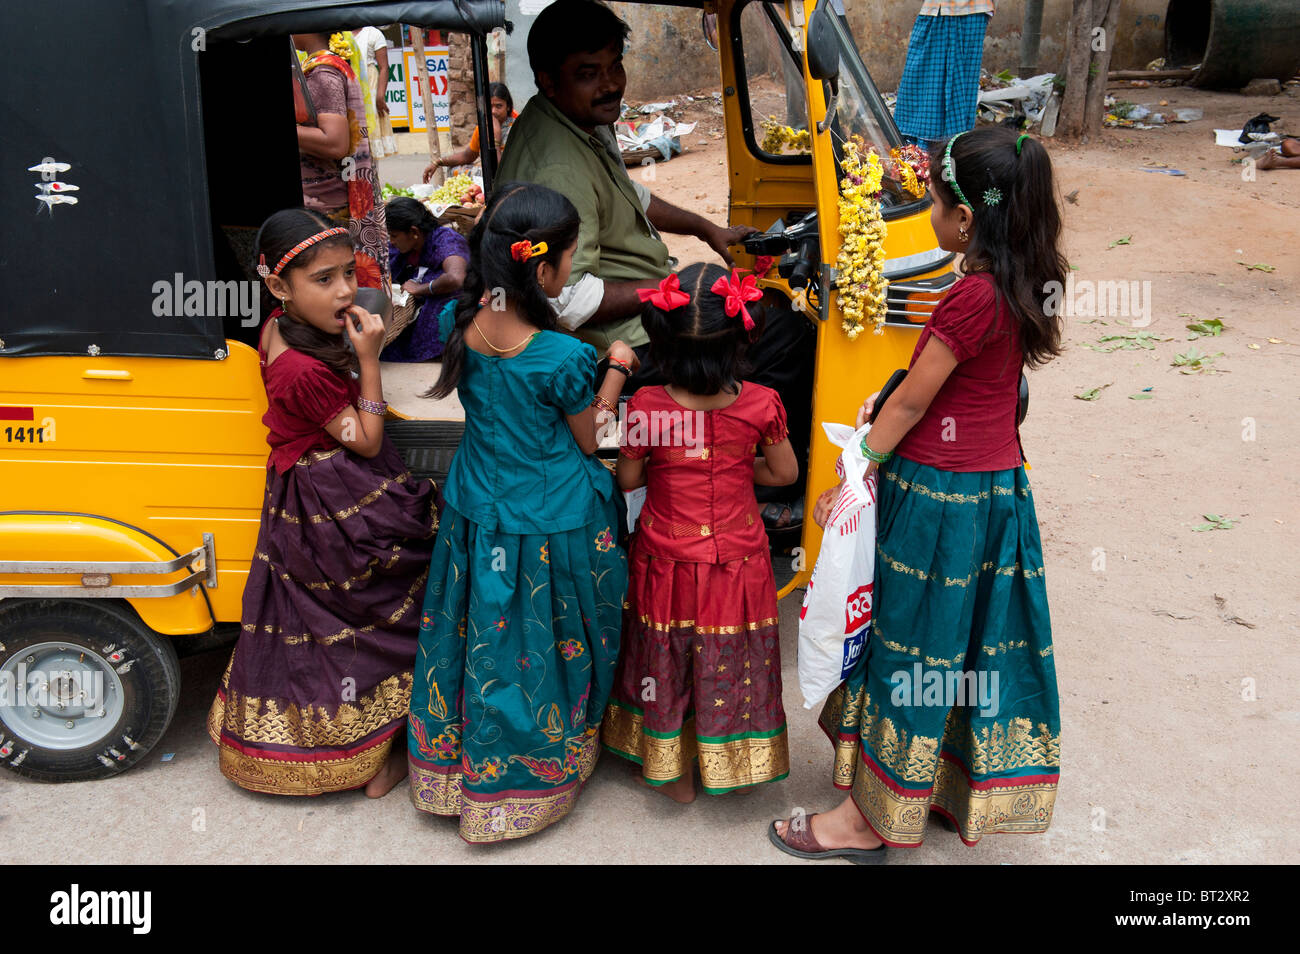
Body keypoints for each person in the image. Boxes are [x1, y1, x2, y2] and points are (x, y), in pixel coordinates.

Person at [770, 127, 1064, 861]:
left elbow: (909, 407)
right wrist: (896, 390)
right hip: (996, 496)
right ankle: (927, 784)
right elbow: (959, 386)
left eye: (932, 200)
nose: (926, 210)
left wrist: (857, 466)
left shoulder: (968, 297)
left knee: (909, 645)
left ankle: (864, 821)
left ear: (965, 221)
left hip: (937, 498)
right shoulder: (1021, 283)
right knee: (961, 649)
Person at [497, 0, 815, 519]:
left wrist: (706, 228)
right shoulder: (557, 163)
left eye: (614, 66)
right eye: (588, 74)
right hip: (610, 347)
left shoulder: (582, 118)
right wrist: (669, 295)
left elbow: (629, 197)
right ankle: (760, 493)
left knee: (766, 311)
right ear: (548, 81)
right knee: (781, 338)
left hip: (641, 306)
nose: (610, 84)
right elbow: (568, 302)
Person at [407, 182, 632, 843]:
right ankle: (543, 760)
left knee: (484, 630)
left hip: (477, 507)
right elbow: (591, 436)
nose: (574, 271)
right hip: (552, 517)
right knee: (551, 638)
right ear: (542, 269)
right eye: (571, 259)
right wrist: (616, 369)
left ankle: (458, 767)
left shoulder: (458, 322)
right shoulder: (566, 357)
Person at [208, 209, 438, 798]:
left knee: (335, 624)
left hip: (303, 494)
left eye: (346, 274)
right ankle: (383, 754)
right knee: (385, 604)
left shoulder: (277, 327)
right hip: (332, 500)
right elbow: (366, 439)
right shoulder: (301, 370)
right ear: (279, 286)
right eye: (324, 280)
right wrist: (368, 358)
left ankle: (374, 748)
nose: (342, 291)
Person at [602, 264, 798, 802]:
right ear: (740, 339)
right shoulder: (762, 404)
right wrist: (735, 467)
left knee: (667, 653)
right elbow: (784, 475)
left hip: (665, 555)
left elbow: (629, 479)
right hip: (738, 557)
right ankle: (730, 759)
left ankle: (673, 769)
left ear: (660, 343)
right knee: (729, 657)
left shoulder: (645, 407)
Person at [294, 32, 389, 288]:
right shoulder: (331, 65)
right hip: (335, 199)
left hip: (328, 206)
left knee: (328, 281)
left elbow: (334, 141)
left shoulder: (323, 72)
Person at [894, 1, 996, 150]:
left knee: (959, 86)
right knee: (919, 80)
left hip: (969, 11)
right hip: (937, 10)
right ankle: (921, 147)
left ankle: (947, 148)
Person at [381, 197, 469, 361]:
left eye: (393, 235)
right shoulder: (406, 247)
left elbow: (456, 278)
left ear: (414, 232)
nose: (391, 241)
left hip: (451, 304)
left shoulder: (446, 239)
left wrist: (421, 288)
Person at [422, 83, 518, 180]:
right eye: (489, 106)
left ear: (508, 106)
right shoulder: (483, 128)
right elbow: (468, 156)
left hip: (510, 176)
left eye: (499, 106)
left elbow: (500, 172)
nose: (493, 111)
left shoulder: (516, 128)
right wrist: (438, 162)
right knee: (453, 170)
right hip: (488, 174)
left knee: (483, 174)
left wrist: (495, 139)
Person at [354, 26, 398, 160]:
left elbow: (384, 67)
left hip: (369, 83)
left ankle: (371, 177)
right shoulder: (339, 34)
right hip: (349, 82)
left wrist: (380, 96)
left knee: (370, 133)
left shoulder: (373, 33)